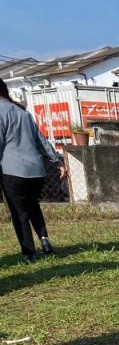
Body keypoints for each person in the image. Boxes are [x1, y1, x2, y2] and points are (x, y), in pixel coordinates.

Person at [0, 77, 64, 263]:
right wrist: (58, 160)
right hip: (36, 170)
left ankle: (30, 252)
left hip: (12, 170)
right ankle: (45, 241)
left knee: (19, 212)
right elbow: (41, 140)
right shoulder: (23, 113)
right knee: (33, 205)